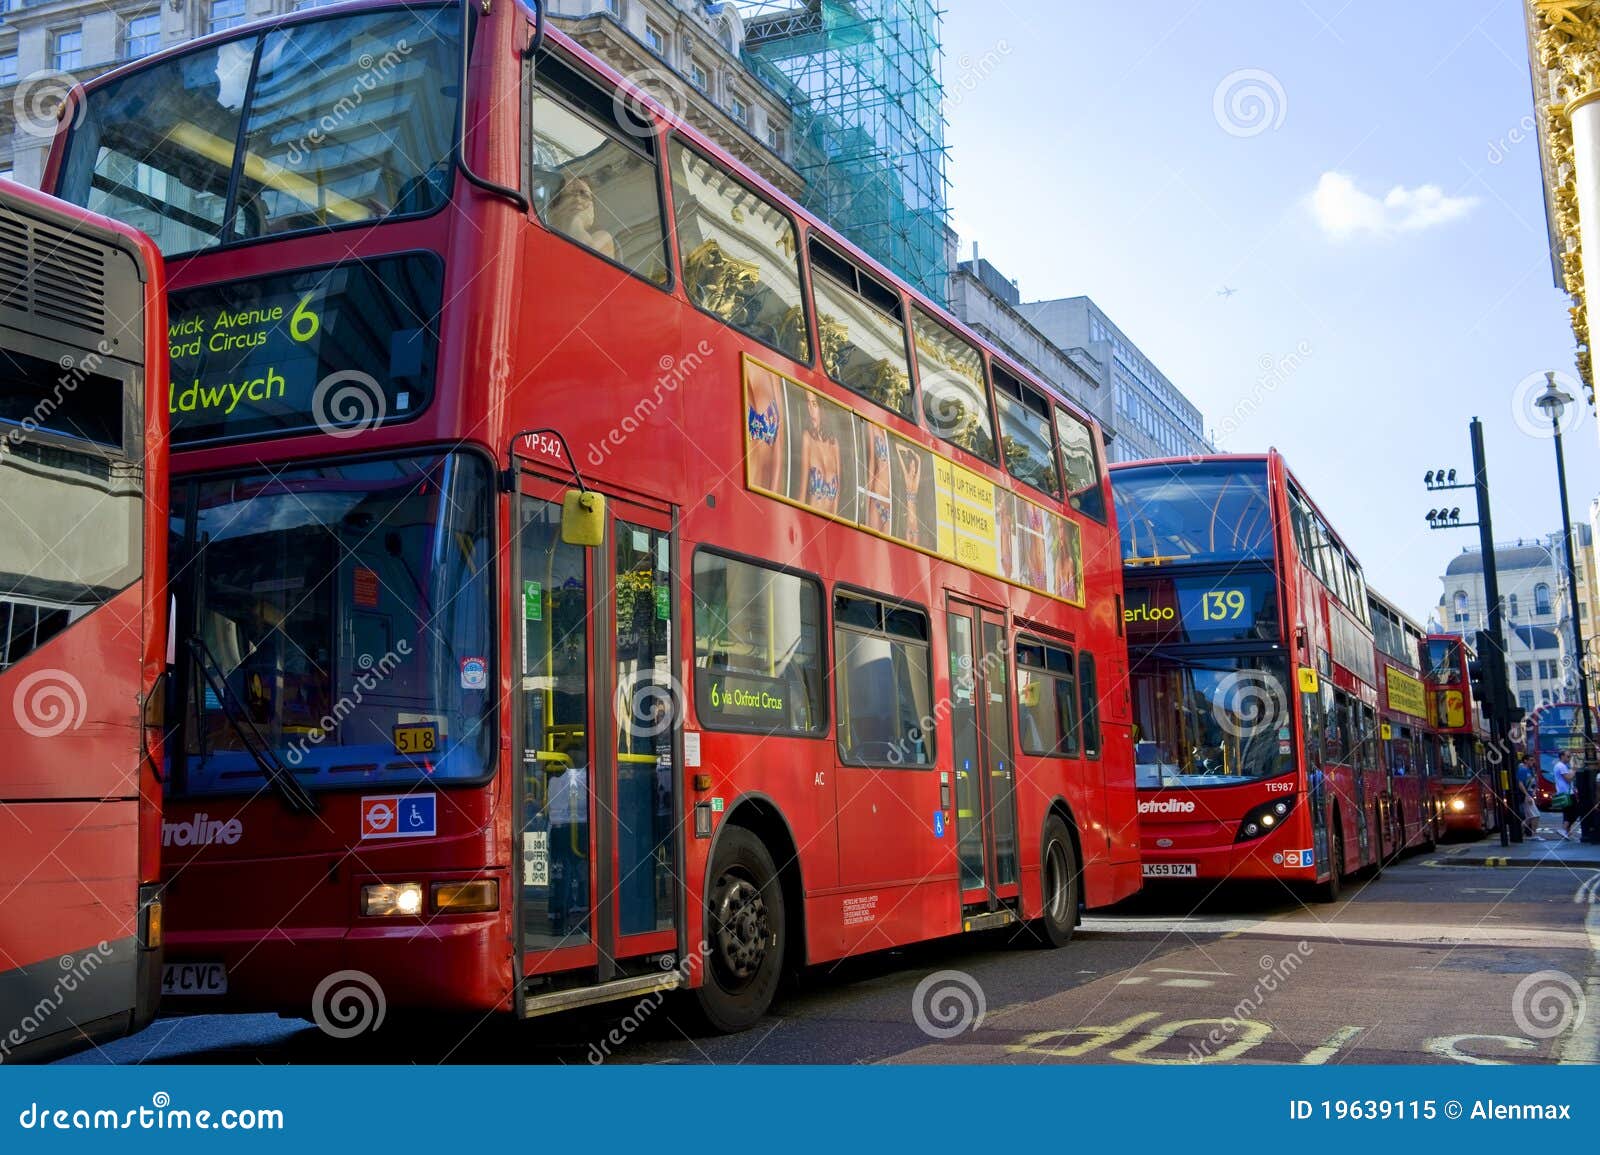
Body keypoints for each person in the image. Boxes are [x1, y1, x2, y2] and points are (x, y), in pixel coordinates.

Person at [546, 175, 618, 261]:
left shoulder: (602, 238)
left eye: (584, 195)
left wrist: (576, 221)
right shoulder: (544, 240)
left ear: (593, 209)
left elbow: (586, 257)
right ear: (555, 209)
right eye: (569, 194)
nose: (577, 199)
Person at [1552, 750, 1578, 840]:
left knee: (1568, 812)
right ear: (1562, 756)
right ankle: (1563, 829)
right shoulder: (1561, 766)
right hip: (1566, 793)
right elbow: (1568, 779)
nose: (1569, 758)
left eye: (1570, 756)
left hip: (1565, 793)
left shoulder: (1562, 766)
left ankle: (1567, 832)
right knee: (1574, 812)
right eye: (1568, 756)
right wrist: (1574, 770)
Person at [1517, 754, 1542, 839]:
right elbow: (1520, 783)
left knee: (1529, 817)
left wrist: (1533, 791)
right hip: (1526, 796)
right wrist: (1527, 795)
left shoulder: (1529, 770)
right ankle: (1533, 834)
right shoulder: (1522, 770)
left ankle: (1520, 833)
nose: (1533, 762)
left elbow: (1533, 782)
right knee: (1536, 815)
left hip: (1529, 795)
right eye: (1531, 760)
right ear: (1525, 760)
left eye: (1533, 760)